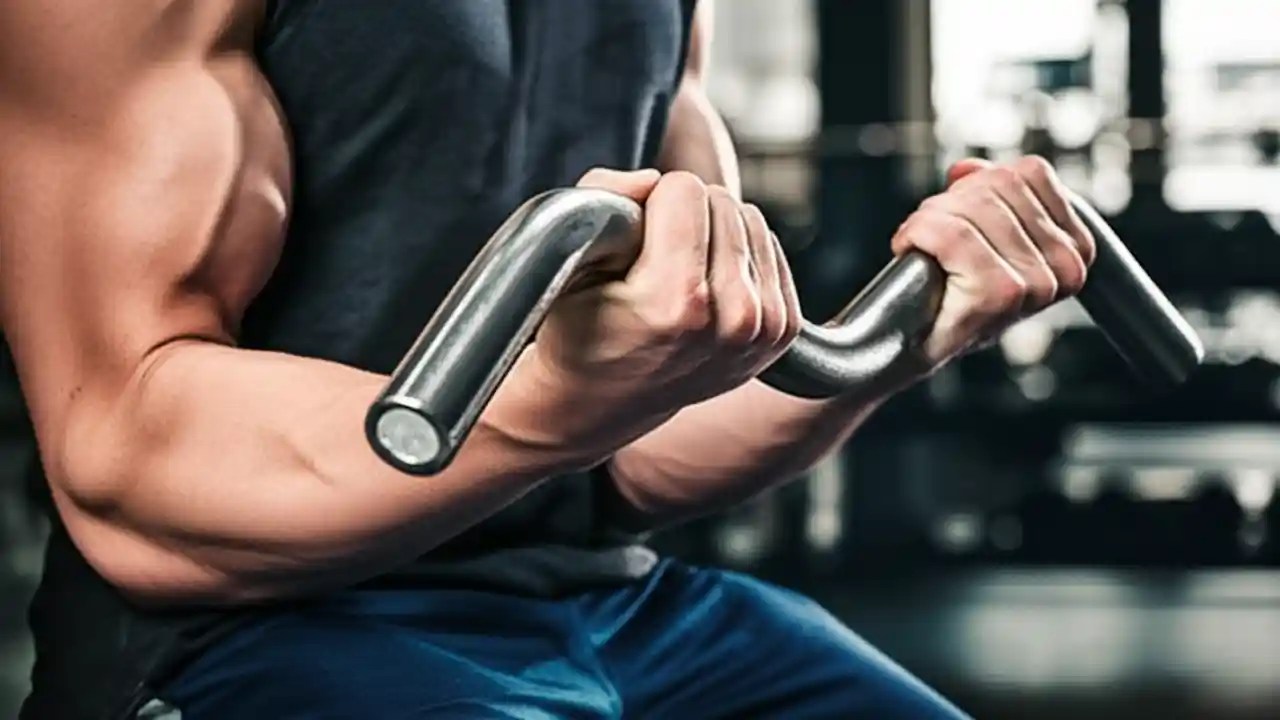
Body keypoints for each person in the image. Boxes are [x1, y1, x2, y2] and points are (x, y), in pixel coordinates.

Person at [0, 1, 1095, 718]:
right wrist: (548, 403)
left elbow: (634, 452)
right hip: (242, 640)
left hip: (610, 612)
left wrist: (897, 338)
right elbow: (125, 453)